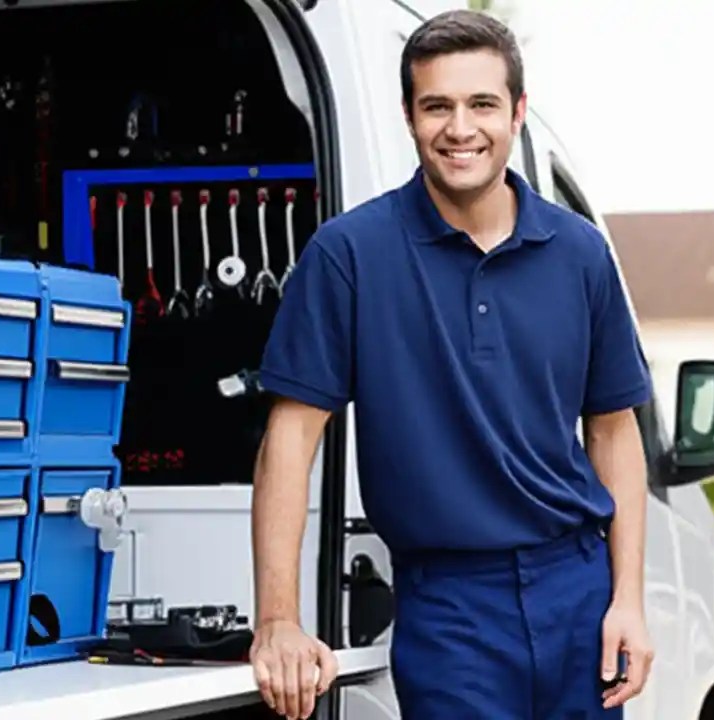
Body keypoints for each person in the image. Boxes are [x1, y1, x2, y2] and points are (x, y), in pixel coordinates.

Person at [246, 8, 655, 720]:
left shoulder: (580, 253)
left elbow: (613, 431)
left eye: (482, 105)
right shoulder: (349, 255)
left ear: (517, 112)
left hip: (578, 592)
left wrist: (628, 600)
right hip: (450, 610)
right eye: (437, 106)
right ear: (409, 117)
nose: (460, 128)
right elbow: (291, 438)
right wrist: (277, 618)